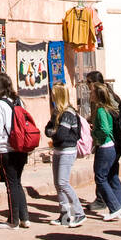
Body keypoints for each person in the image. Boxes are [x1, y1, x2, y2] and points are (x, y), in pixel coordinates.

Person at [84, 70, 121, 214]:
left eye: (88, 82)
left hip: (108, 141)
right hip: (110, 140)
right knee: (111, 172)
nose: (87, 86)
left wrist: (95, 131)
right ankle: (119, 198)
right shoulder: (101, 97)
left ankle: (103, 200)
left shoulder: (103, 98)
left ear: (95, 83)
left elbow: (108, 120)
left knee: (101, 174)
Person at [0, 71, 29, 229]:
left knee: (11, 185)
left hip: (7, 149)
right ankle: (24, 217)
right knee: (17, 183)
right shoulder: (18, 101)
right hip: (21, 148)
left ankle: (13, 221)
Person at [44, 83, 85, 228]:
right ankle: (65, 215)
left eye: (54, 94)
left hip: (67, 151)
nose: (52, 97)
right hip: (58, 150)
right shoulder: (57, 112)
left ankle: (79, 212)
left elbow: (61, 134)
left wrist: (53, 132)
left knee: (63, 183)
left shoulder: (68, 113)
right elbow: (48, 129)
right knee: (58, 184)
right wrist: (54, 132)